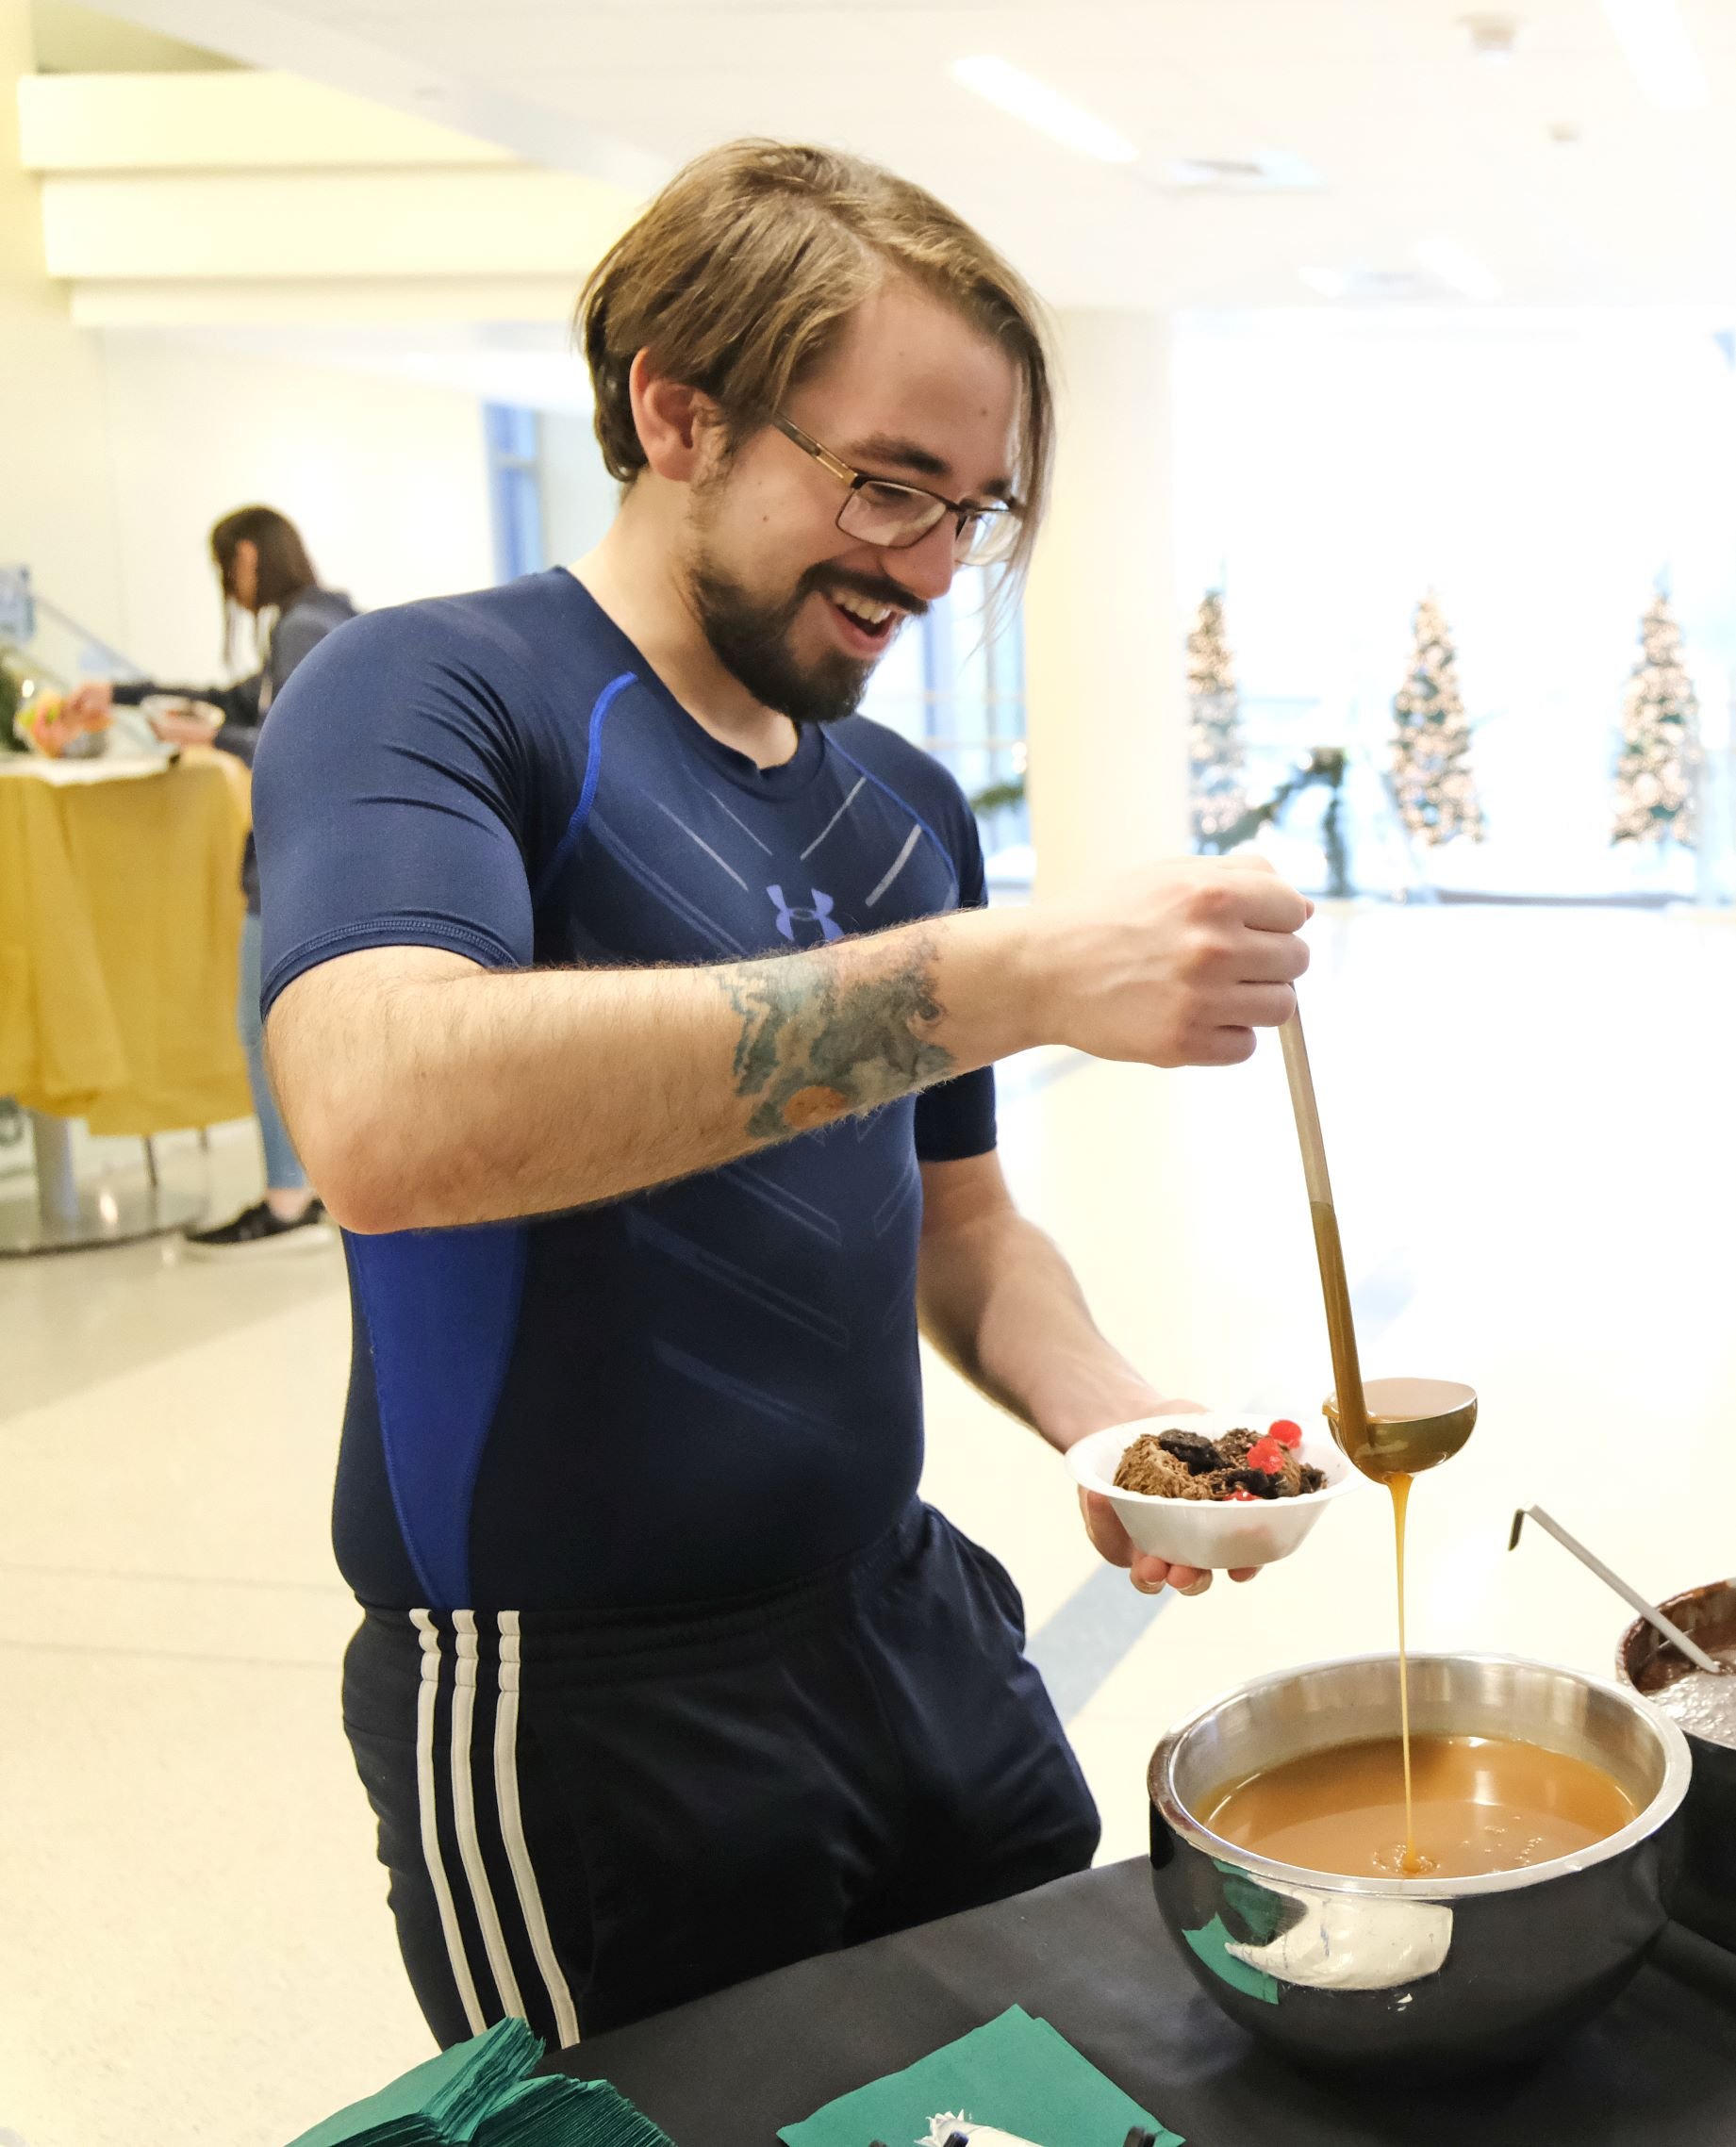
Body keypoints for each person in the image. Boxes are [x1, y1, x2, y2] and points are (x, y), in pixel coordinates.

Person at [254, 141, 1311, 2049]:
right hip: (576, 1694)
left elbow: (962, 1220)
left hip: (902, 1623)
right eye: (885, 485)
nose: (921, 565)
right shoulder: (433, 695)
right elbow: (379, 1112)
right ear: (674, 406)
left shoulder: (894, 805)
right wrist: (990, 978)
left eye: (964, 509)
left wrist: (1115, 1422)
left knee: (1046, 2079)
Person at [64, 508, 355, 1255]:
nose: (229, 583)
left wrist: (213, 739)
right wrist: (132, 697)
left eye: (229, 565)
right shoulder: (315, 621)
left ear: (251, 555)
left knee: (263, 1029)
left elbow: (307, 740)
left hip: (296, 861)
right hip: (315, 859)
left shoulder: (300, 626)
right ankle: (307, 1185)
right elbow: (241, 700)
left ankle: (290, 1195)